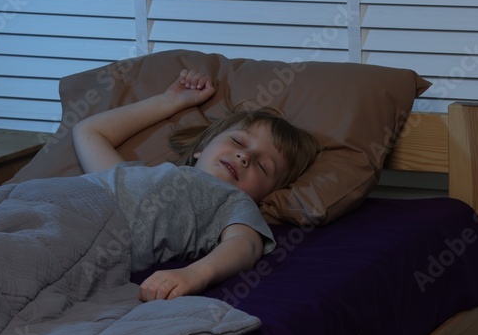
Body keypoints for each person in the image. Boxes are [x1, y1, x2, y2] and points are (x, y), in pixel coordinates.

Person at [72, 70, 319, 302]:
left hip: (85, 242)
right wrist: (170, 100)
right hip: (53, 199)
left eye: (263, 166)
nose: (245, 157)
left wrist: (196, 273)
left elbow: (246, 245)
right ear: (201, 149)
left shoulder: (232, 201)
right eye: (237, 141)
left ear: (265, 194)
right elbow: (88, 131)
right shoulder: (134, 174)